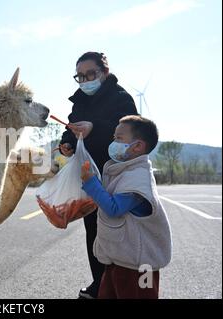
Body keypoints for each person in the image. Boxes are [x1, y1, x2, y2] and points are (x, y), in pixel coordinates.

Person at [59, 51, 138, 298]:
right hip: (89, 177)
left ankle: (122, 284)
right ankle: (99, 283)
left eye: (90, 74)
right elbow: (71, 127)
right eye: (80, 76)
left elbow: (132, 130)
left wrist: (95, 128)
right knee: (93, 230)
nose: (85, 80)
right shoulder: (79, 101)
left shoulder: (121, 98)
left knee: (118, 231)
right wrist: (67, 142)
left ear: (104, 72)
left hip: (116, 174)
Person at [80, 115, 172, 298]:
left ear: (138, 146)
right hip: (119, 260)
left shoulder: (138, 178)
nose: (113, 142)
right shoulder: (124, 171)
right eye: (114, 137)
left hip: (139, 267)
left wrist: (91, 183)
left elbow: (114, 208)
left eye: (119, 138)